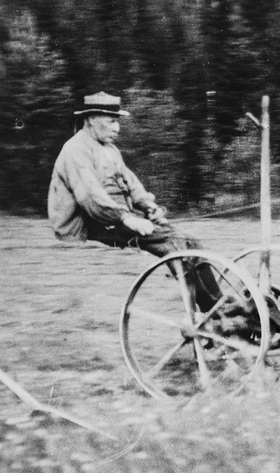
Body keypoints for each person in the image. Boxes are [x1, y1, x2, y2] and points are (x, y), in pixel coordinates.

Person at [48, 91, 224, 311]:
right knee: (176, 246)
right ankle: (215, 313)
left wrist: (149, 207)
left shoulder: (109, 149)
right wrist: (126, 218)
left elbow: (131, 183)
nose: (117, 128)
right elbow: (90, 196)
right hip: (92, 224)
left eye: (117, 122)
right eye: (112, 122)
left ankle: (222, 306)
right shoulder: (76, 149)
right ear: (91, 119)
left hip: (116, 217)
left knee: (191, 242)